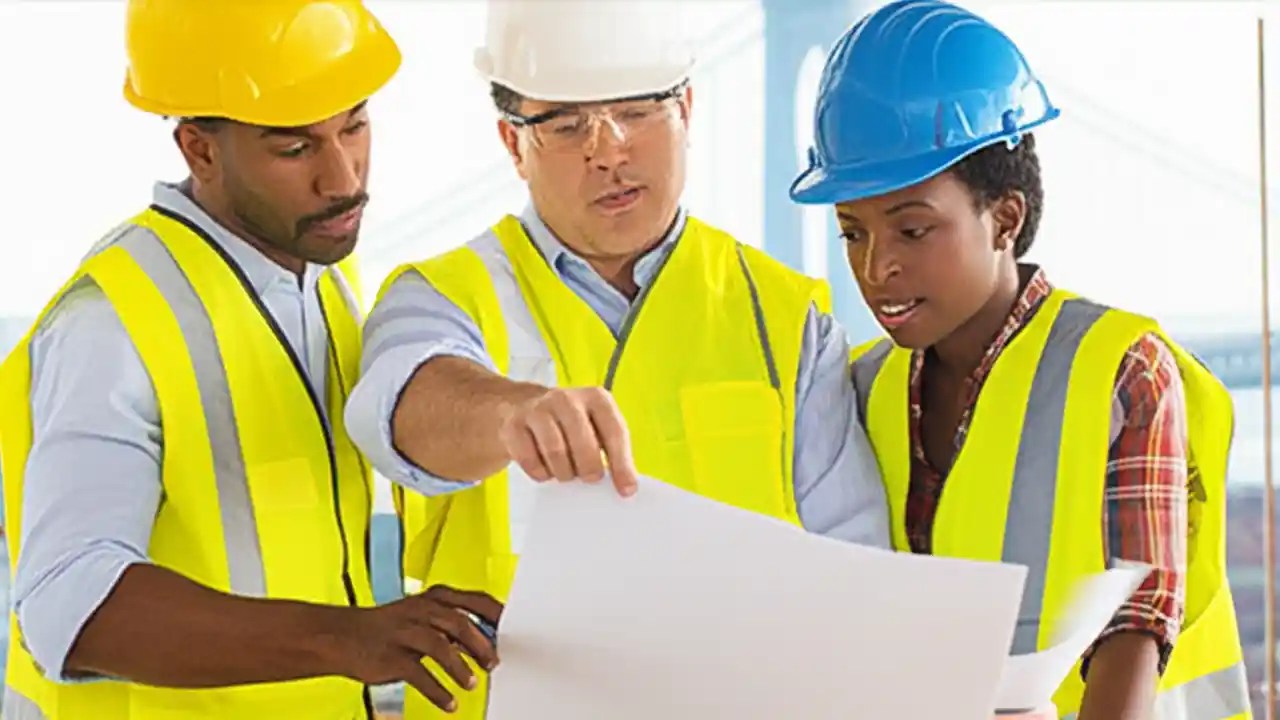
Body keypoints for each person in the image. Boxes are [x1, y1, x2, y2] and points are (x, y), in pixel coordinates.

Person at [343, 0, 891, 716]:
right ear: (513, 141)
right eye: (566, 125)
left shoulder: (785, 316)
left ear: (687, 109)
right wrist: (512, 413)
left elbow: (852, 578)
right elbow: (398, 411)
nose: (609, 150)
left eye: (637, 111)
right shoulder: (445, 297)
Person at [0, 2, 501, 718]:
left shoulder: (324, 283)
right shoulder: (112, 320)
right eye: (294, 148)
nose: (343, 178)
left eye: (355, 126)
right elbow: (68, 605)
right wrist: (347, 637)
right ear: (199, 149)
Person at [790, 1, 1250, 718]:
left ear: (1004, 219)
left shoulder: (1122, 372)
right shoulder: (861, 386)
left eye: (912, 230)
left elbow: (1136, 626)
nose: (876, 267)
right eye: (852, 234)